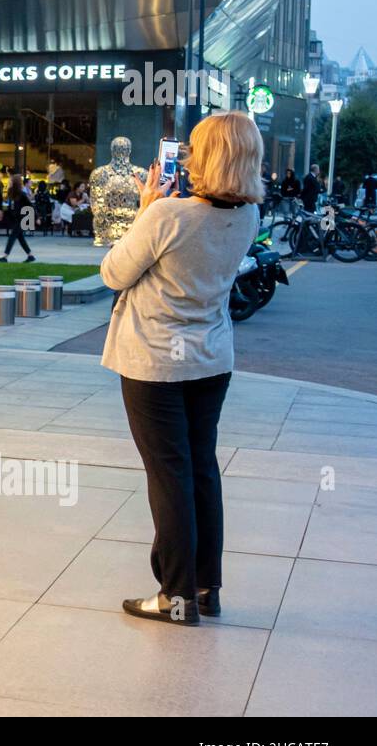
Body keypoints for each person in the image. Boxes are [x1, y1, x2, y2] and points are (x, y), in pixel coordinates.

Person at [100, 111, 263, 626]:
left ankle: (173, 597)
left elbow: (113, 273)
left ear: (205, 155)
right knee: (200, 468)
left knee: (168, 474)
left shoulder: (168, 215)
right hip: (211, 359)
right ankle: (204, 587)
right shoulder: (248, 215)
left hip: (154, 361)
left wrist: (147, 207)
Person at [0, 174, 36, 263]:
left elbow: (30, 205)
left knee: (12, 237)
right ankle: (30, 255)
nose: (9, 183)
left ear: (15, 183)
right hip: (15, 218)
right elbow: (11, 206)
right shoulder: (11, 193)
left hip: (22, 218)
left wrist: (36, 217)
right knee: (20, 238)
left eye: (10, 181)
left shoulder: (22, 194)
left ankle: (5, 256)